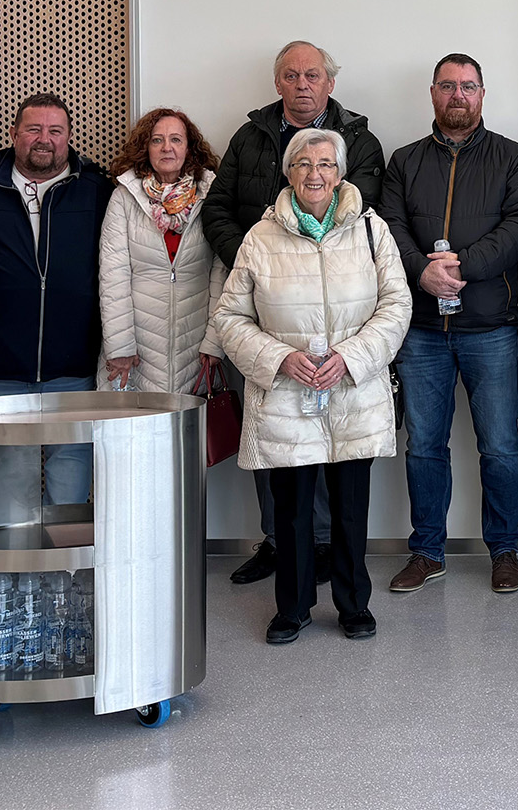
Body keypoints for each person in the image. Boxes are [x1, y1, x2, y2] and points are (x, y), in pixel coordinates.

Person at [210, 128, 412, 644]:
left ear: (340, 174)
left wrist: (350, 358)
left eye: (325, 163)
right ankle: (293, 607)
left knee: (349, 509)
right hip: (286, 394)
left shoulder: (371, 230)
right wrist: (280, 359)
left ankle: (352, 605)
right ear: (288, 172)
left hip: (353, 389)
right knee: (293, 510)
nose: (314, 173)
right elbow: (231, 317)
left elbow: (397, 304)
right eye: (303, 163)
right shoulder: (260, 237)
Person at [205, 41, 387, 588]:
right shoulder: (250, 137)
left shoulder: (360, 140)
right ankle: (283, 543)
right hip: (273, 318)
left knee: (338, 448)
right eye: (291, 75)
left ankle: (327, 550)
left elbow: (359, 218)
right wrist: (258, 262)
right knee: (278, 442)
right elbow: (218, 208)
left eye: (313, 75)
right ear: (278, 84)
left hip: (340, 330)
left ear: (329, 84)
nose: (303, 84)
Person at [380, 54, 518, 594]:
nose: (457, 95)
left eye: (467, 86)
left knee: (500, 445)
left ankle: (505, 550)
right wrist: (421, 271)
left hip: (490, 327)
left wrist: (461, 267)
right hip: (420, 329)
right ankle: (427, 551)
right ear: (432, 93)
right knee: (425, 444)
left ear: (482, 93)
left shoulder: (514, 158)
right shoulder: (404, 161)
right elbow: (388, 227)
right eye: (447, 86)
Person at [0, 93, 113, 522]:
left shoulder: (96, 190)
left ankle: (63, 574)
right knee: (8, 470)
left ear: (69, 138)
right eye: (34, 129)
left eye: (55, 131)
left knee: (71, 467)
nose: (44, 139)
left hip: (74, 364)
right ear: (15, 134)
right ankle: (13, 578)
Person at [98, 108, 224, 398]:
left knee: (190, 440)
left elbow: (222, 273)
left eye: (176, 139)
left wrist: (215, 342)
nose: (167, 147)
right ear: (146, 148)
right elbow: (113, 276)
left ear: (189, 148)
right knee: (137, 437)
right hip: (137, 350)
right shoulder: (124, 197)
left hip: (196, 345)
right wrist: (120, 347)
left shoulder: (211, 194)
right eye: (157, 140)